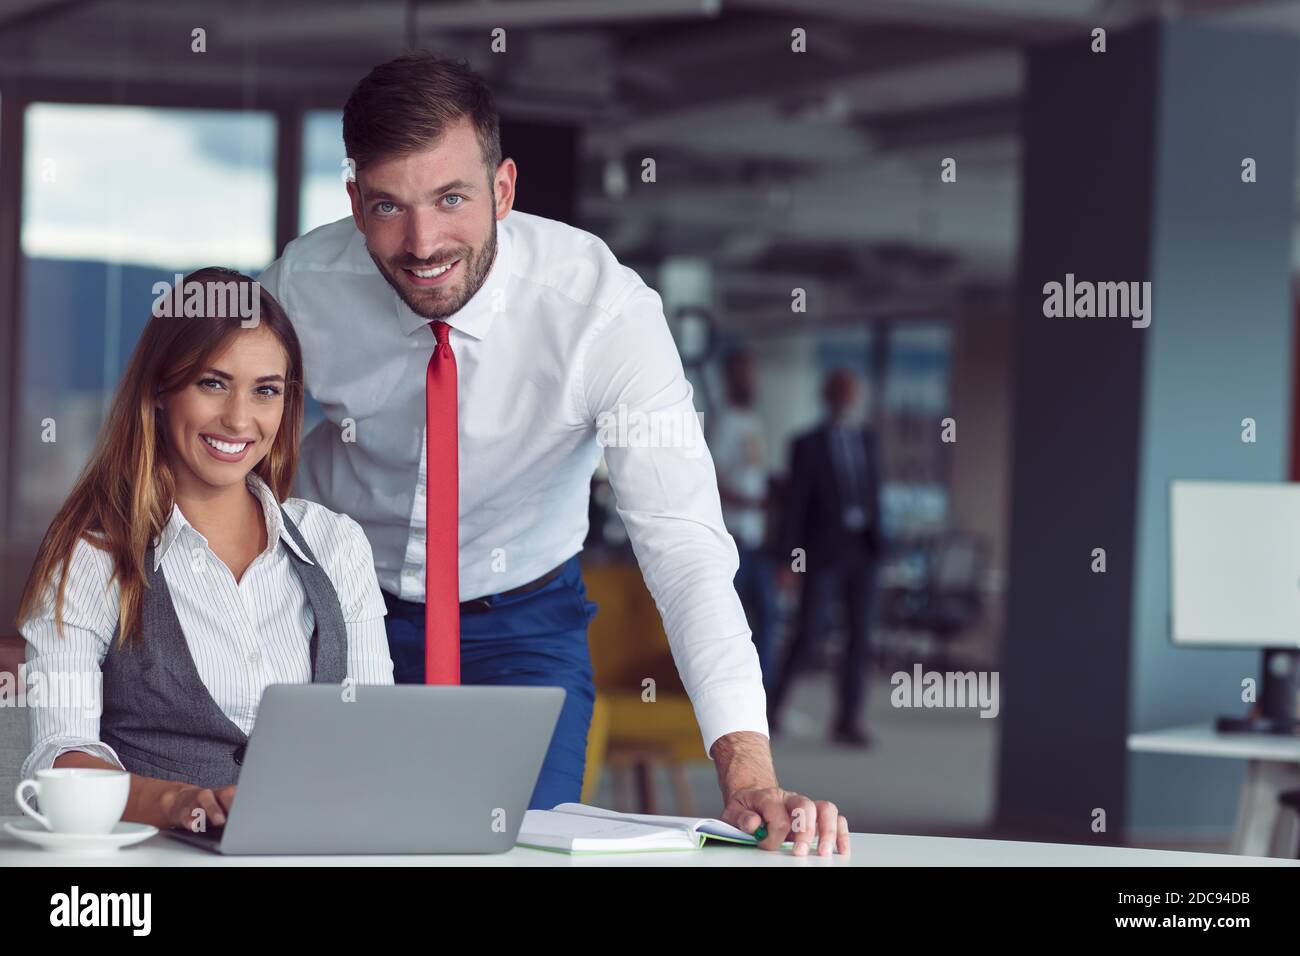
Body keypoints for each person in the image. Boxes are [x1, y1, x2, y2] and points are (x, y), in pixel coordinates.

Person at [257, 52, 849, 854]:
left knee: (520, 850)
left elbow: (683, 548)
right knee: (334, 848)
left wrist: (747, 772)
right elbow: (232, 460)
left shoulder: (604, 316)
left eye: (452, 198)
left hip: (523, 625)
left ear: (503, 190)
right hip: (342, 608)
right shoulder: (304, 288)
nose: (423, 241)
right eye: (390, 206)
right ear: (356, 202)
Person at [15, 268, 394, 832]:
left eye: (265, 390)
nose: (240, 419)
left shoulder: (336, 545)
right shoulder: (94, 553)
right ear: (161, 391)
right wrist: (177, 803)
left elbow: (373, 739)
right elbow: (61, 758)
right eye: (213, 383)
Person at [771, 368, 883, 747]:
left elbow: (874, 494)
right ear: (828, 396)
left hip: (863, 551)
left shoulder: (868, 440)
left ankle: (847, 720)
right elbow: (796, 506)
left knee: (860, 637)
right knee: (809, 634)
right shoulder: (807, 444)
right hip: (822, 554)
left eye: (852, 391)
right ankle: (769, 711)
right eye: (840, 391)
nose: (847, 399)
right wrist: (788, 559)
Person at [709, 349, 777, 690]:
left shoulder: (754, 421)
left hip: (755, 538)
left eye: (753, 373)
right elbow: (714, 481)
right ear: (731, 380)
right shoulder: (726, 423)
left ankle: (759, 695)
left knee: (767, 618)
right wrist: (752, 503)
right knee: (727, 624)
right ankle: (724, 694)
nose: (751, 381)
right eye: (744, 374)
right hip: (732, 536)